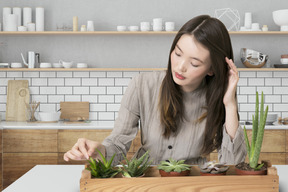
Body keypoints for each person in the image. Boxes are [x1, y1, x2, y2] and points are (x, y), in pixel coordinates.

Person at [64, 15, 247, 165]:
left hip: (190, 182)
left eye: (194, 63)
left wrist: (230, 104)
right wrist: (99, 150)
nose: (180, 67)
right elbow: (118, 146)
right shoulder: (142, 85)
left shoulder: (218, 99)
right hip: (144, 179)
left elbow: (233, 163)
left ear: (212, 69)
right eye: (177, 53)